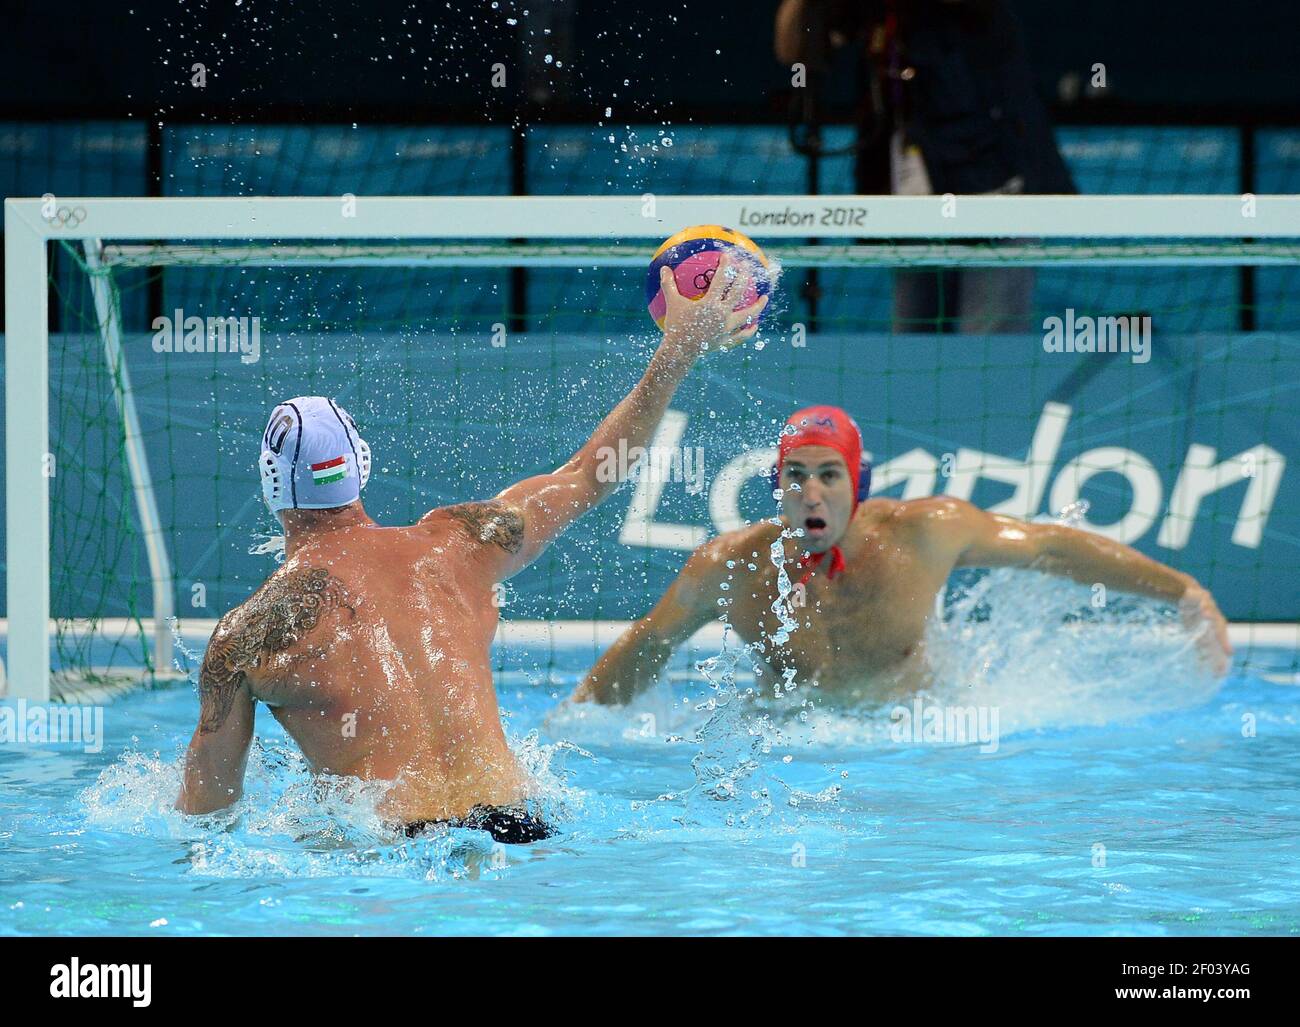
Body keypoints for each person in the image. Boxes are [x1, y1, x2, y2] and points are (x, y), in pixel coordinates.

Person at [175, 256, 768, 842]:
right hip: (520, 828)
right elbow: (594, 472)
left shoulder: (245, 637)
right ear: (361, 465)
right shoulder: (458, 545)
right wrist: (678, 351)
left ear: (271, 487)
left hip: (395, 855)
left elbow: (205, 818)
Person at [572, 404, 1231, 706]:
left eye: (829, 474)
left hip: (914, 739)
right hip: (788, 747)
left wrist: (1183, 591)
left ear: (858, 484)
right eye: (794, 475)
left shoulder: (925, 534)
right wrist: (572, 727)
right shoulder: (729, 567)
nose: (811, 491)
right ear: (776, 485)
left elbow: (1051, 546)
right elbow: (650, 644)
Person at [774, 0, 1077, 333]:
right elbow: (794, 49)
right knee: (913, 350)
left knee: (989, 350)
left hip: (997, 183)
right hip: (915, 190)